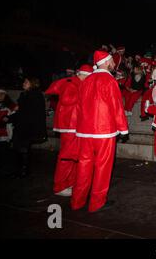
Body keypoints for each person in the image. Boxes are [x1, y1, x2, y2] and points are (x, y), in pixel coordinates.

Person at [71, 51, 129, 213]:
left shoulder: (86, 80)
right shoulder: (109, 80)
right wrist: (123, 128)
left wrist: (79, 127)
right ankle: (97, 202)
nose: (113, 63)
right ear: (106, 62)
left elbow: (79, 106)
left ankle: (77, 201)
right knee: (103, 167)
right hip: (104, 131)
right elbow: (116, 106)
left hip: (85, 132)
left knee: (83, 166)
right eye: (111, 61)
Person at [44, 64, 93, 197]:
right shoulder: (71, 83)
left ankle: (70, 182)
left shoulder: (77, 83)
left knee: (73, 156)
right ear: (83, 75)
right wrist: (85, 95)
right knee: (66, 156)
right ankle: (60, 186)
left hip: (75, 126)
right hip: (69, 126)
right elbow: (67, 100)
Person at [10, 77, 47, 178]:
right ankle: (19, 169)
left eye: (26, 82)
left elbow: (35, 113)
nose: (23, 83)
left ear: (32, 83)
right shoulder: (24, 94)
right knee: (18, 148)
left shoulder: (35, 95)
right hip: (22, 125)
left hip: (28, 127)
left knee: (24, 148)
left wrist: (19, 109)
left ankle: (24, 171)